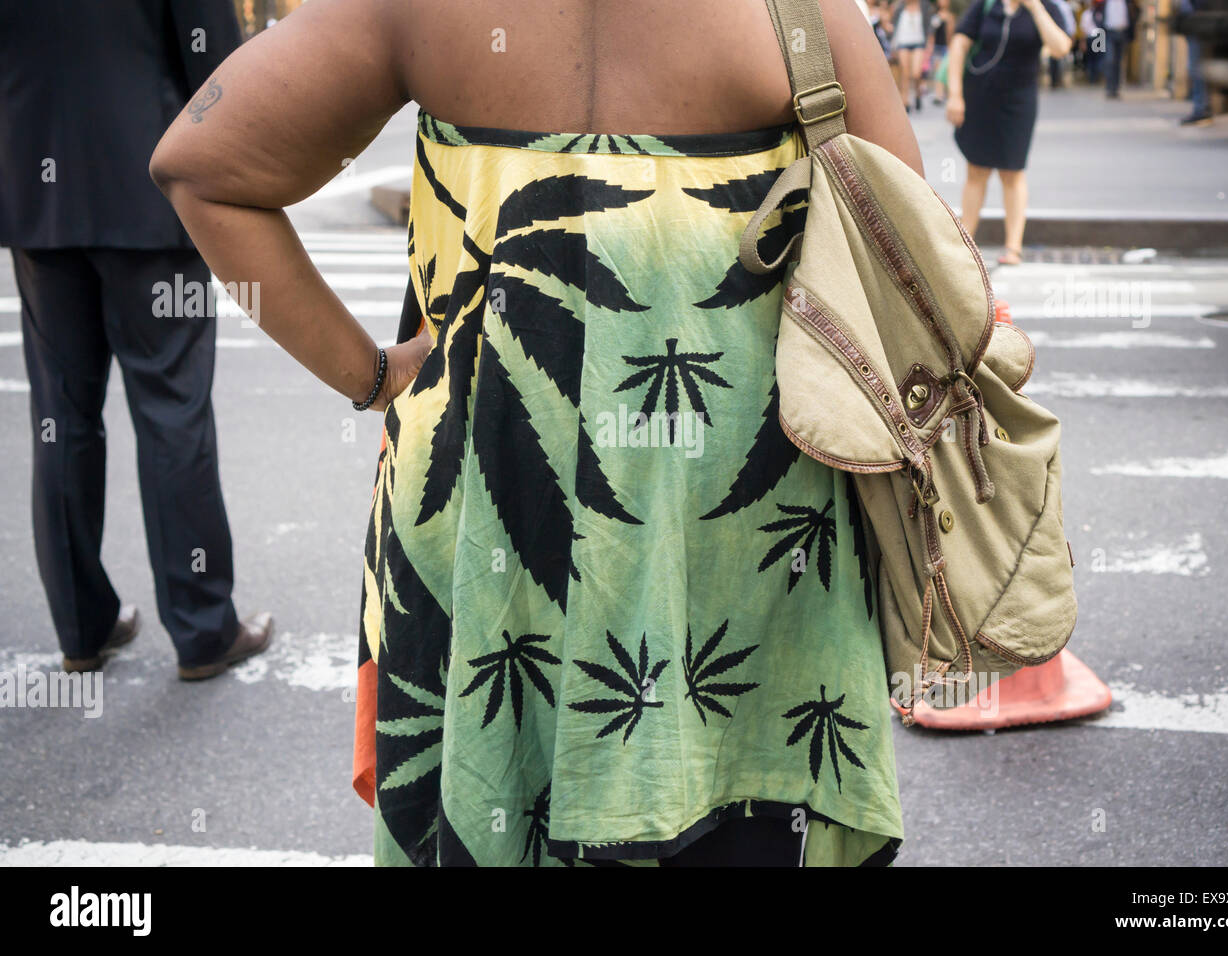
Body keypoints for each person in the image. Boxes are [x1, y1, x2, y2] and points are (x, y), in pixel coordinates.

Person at [149, 0, 923, 867]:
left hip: (487, 514)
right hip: (746, 544)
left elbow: (198, 169)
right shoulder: (799, 14)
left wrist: (366, 375)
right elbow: (913, 259)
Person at [0, 0, 273, 680]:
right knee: (173, 409)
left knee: (62, 418)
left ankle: (82, 629)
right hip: (152, 188)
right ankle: (202, 628)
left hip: (37, 195)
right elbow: (216, 69)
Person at [946, 0, 1073, 265]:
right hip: (980, 96)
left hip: (1018, 100)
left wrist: (1036, 8)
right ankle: (966, 242)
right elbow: (959, 44)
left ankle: (1013, 247)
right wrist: (955, 94)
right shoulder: (986, 5)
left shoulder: (1045, 7)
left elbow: (1060, 48)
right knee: (976, 169)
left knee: (1012, 172)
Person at [891, 0, 933, 111]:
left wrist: (929, 45)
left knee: (916, 73)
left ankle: (918, 93)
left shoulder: (924, 6)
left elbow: (929, 28)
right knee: (905, 73)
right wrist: (893, 46)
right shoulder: (899, 7)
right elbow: (895, 27)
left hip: (919, 43)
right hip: (903, 42)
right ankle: (905, 101)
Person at [1096, 0, 1139, 99]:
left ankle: (1115, 89)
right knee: (1109, 60)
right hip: (1109, 33)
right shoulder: (1105, 3)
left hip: (1122, 33)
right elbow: (1095, 13)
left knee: (1119, 62)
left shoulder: (1128, 2)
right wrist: (1099, 26)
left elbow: (1136, 12)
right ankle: (1109, 87)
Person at [1178, 0, 1212, 125]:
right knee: (1196, 67)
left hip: (1197, 23)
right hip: (1195, 22)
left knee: (1196, 67)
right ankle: (1202, 107)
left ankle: (1201, 109)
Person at [929, 0, 956, 105]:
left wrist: (951, 47)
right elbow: (932, 33)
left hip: (946, 47)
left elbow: (951, 32)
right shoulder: (935, 15)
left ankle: (945, 93)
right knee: (937, 70)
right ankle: (938, 94)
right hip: (937, 46)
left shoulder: (950, 16)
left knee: (944, 70)